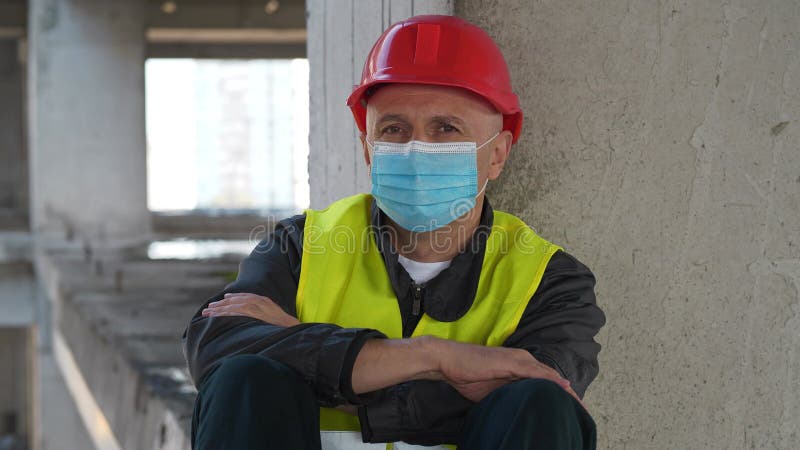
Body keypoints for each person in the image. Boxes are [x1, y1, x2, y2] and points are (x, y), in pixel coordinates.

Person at [183, 15, 605, 450]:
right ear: (369, 149)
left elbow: (546, 396)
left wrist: (322, 363)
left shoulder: (550, 283)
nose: (416, 148)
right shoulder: (300, 248)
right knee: (243, 377)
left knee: (542, 403)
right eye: (393, 129)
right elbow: (215, 345)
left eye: (446, 128)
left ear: (497, 154)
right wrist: (436, 358)